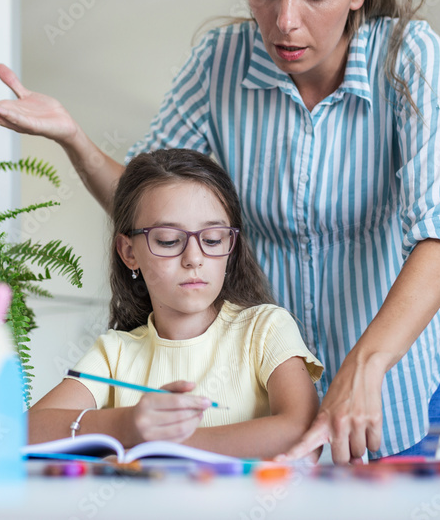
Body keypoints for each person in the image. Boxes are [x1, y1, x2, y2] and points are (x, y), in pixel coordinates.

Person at [0, 0, 440, 462]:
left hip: (391, 390)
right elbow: (151, 207)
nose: (285, 21)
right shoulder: (220, 63)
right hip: (261, 403)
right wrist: (73, 137)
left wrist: (366, 362)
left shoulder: (409, 58)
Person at [26, 148, 324, 459]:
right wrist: (125, 424)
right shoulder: (114, 353)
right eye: (168, 240)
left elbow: (303, 433)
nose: (194, 258)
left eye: (212, 239)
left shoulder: (265, 329)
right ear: (129, 253)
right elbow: (25, 432)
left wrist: (158, 445)